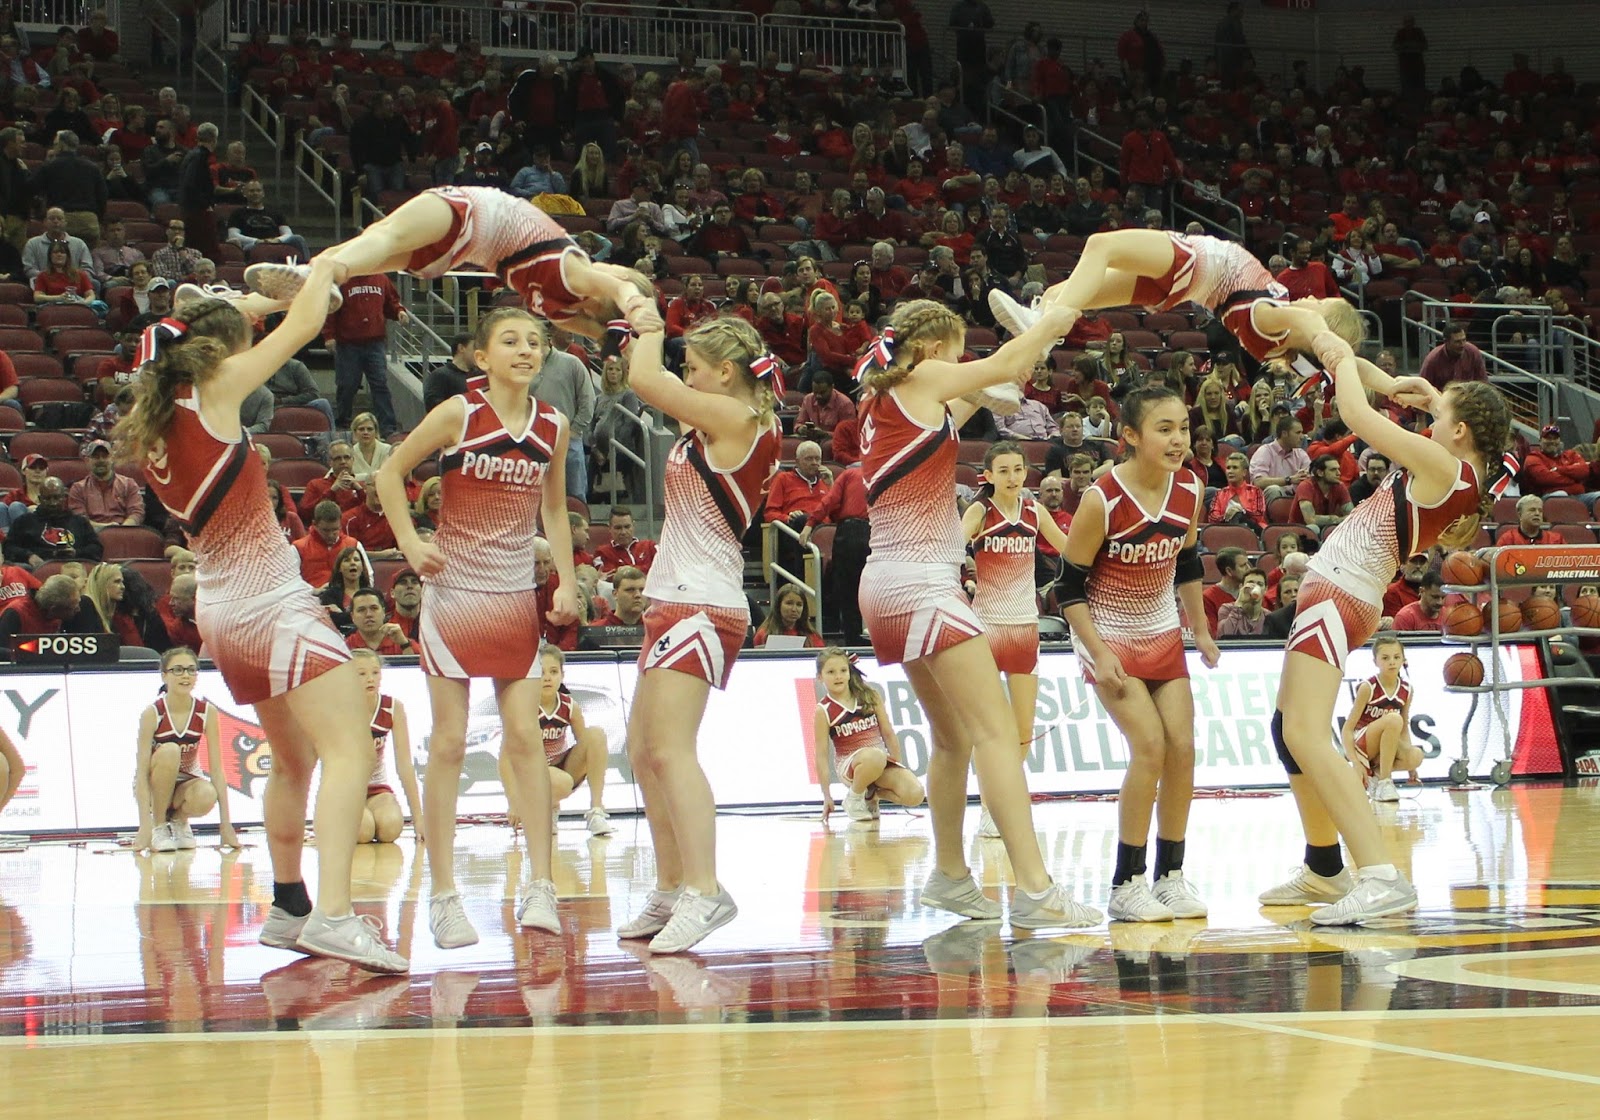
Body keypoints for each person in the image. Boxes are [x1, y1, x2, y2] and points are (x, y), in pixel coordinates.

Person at [113, 266, 407, 971]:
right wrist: (324, 276)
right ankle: (337, 916)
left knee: (298, 759)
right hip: (270, 601)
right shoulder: (214, 391)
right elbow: (306, 327)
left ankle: (289, 905)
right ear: (216, 355)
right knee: (350, 753)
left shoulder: (159, 398)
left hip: (221, 609)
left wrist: (247, 300)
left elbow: (198, 325)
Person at [858, 297, 1100, 930]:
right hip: (922, 581)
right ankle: (1037, 889)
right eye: (957, 346)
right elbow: (1005, 363)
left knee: (953, 738)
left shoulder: (890, 400)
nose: (961, 359)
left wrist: (1020, 359)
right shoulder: (923, 377)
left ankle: (949, 876)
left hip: (884, 585)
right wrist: (1051, 322)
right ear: (934, 346)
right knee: (996, 734)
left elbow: (995, 387)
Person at [1263, 328, 1509, 924]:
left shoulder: (1443, 464)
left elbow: (1352, 411)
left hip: (1340, 590)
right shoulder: (1458, 468)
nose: (1430, 412)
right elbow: (1416, 403)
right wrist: (1427, 396)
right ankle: (1324, 867)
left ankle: (1378, 873)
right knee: (1286, 727)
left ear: (1459, 432)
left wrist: (1334, 351)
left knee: (1303, 731)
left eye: (1440, 411)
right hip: (1347, 590)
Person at [374, 306, 579, 949]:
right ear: (482, 356)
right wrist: (409, 541)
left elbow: (555, 509)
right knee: (450, 743)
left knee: (525, 737)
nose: (525, 350)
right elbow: (387, 471)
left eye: (535, 341)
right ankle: (442, 894)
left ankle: (540, 886)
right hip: (454, 593)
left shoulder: (555, 425)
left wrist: (568, 580)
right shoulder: (457, 414)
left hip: (516, 593)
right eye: (510, 341)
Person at [610, 316, 782, 954]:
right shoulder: (713, 422)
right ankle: (672, 884)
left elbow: (643, 376)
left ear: (725, 373)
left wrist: (645, 312)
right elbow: (638, 371)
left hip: (704, 604)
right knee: (641, 750)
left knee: (672, 749)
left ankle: (706, 889)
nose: (686, 377)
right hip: (672, 597)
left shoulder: (737, 423)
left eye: (695, 368)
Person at [1060, 386, 1221, 922]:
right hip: (1106, 632)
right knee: (1149, 746)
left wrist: (1198, 628)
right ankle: (1126, 883)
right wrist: (1099, 652)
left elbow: (1189, 560)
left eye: (1183, 427)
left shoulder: (1191, 488)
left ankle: (1170, 876)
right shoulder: (1101, 498)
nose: (1179, 439)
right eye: (1164, 429)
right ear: (1130, 436)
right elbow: (1067, 588)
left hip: (1161, 630)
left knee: (1183, 749)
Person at [244, 185, 664, 345]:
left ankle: (315, 275)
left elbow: (615, 306)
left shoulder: (578, 279)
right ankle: (249, 306)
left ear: (601, 298)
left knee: (379, 237)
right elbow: (603, 332)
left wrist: (637, 311)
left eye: (618, 272)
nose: (611, 269)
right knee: (365, 250)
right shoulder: (568, 312)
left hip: (471, 215)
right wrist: (632, 336)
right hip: (461, 252)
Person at [989, 230, 1364, 366]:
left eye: (1321, 303)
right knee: (1060, 293)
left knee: (1099, 245)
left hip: (1198, 263)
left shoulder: (1277, 322)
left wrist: (1330, 343)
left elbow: (1312, 324)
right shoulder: (1276, 346)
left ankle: (1042, 328)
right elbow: (1345, 358)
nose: (1313, 299)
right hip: (1186, 288)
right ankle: (1017, 365)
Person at [961, 441, 1070, 839]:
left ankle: (999, 799)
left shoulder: (1034, 511)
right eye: (1003, 470)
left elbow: (1069, 549)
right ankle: (990, 809)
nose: (1012, 477)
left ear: (1027, 473)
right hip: (986, 629)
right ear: (987, 476)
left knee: (1023, 729)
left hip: (1026, 628)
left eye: (1018, 470)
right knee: (992, 731)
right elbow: (950, 551)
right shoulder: (979, 511)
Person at [132, 646, 240, 852]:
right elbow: (141, 772)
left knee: (207, 793)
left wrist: (226, 825)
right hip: (155, 785)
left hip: (185, 785)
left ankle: (180, 822)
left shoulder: (207, 712)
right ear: (164, 675)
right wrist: (145, 825)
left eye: (191, 670)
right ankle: (159, 826)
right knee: (171, 750)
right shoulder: (152, 713)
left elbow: (217, 770)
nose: (186, 675)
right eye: (178, 670)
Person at [813, 647, 924, 823]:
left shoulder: (870, 696)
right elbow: (820, 755)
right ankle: (854, 798)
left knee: (915, 794)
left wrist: (897, 764)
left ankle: (871, 795)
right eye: (831, 672)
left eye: (843, 670)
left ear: (850, 672)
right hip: (849, 765)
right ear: (820, 677)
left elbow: (887, 732)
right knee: (874, 755)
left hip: (878, 761)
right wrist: (826, 796)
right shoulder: (823, 710)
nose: (838, 676)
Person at [517, 645, 613, 837]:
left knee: (596, 735)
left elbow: (585, 745)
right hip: (533, 772)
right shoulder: (524, 706)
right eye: (541, 672)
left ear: (562, 675)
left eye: (553, 672)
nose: (547, 678)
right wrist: (514, 800)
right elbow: (512, 754)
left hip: (562, 771)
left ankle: (596, 811)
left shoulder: (570, 706)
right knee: (560, 780)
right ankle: (545, 810)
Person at [349, 648, 423, 843]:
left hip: (377, 789)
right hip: (345, 787)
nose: (370, 679)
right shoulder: (337, 708)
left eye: (375, 672)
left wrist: (419, 819)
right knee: (363, 831)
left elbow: (405, 766)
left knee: (390, 828)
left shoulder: (392, 707)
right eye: (361, 674)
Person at [1342, 635, 1422, 804]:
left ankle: (1376, 774)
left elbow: (1404, 727)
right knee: (1393, 719)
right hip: (1363, 743)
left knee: (1416, 755)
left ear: (1403, 660)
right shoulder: (1368, 687)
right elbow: (1347, 728)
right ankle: (1386, 781)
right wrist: (1355, 762)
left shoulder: (1407, 690)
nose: (1391, 662)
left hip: (1385, 745)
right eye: (1385, 658)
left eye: (1396, 657)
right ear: (1375, 661)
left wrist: (1411, 766)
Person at [753, 583, 824, 648]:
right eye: (789, 603)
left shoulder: (813, 636)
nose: (794, 609)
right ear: (778, 605)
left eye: (799, 605)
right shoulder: (763, 634)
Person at [593, 506, 657, 574]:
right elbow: (610, 576)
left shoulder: (650, 546)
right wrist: (645, 568)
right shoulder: (602, 552)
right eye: (618, 528)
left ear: (633, 525)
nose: (623, 532)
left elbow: (661, 569)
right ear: (610, 528)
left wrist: (624, 569)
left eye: (627, 527)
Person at [1217, 567, 1270, 636]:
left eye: (1260, 584)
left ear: (1265, 589)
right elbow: (1224, 635)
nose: (1255, 587)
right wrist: (1239, 603)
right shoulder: (1226, 609)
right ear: (1241, 587)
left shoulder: (1268, 617)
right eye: (1250, 583)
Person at [1496, 495, 1565, 546]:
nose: (1537, 513)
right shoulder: (1508, 539)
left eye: (1540, 511)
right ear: (1520, 514)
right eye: (1532, 510)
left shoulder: (1556, 540)